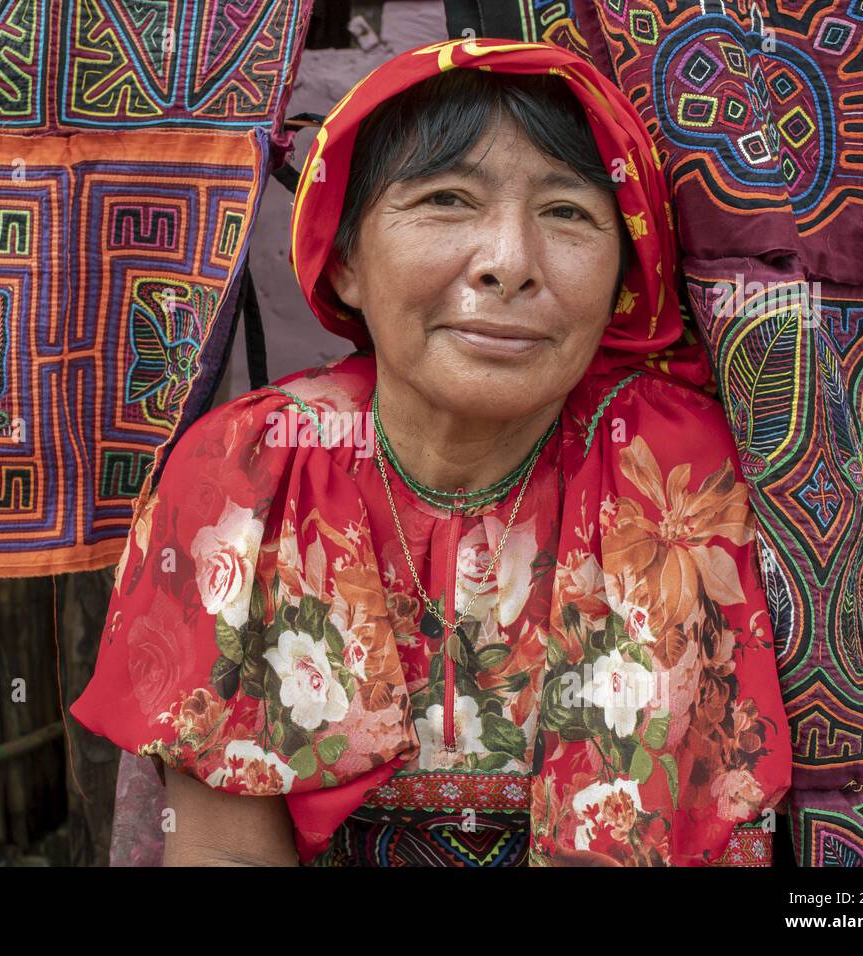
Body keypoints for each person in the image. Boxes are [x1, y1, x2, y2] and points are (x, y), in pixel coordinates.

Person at [69, 37, 792, 867]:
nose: (510, 265)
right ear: (343, 260)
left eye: (567, 213)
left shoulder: (679, 473)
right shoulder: (250, 473)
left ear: (623, 270)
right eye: (447, 199)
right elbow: (226, 854)